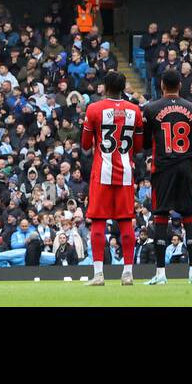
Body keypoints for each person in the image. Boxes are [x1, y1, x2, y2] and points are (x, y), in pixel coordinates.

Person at [81, 71, 144, 285]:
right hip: (126, 172)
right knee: (126, 221)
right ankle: (128, 273)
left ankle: (98, 274)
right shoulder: (134, 110)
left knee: (98, 221)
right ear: (124, 87)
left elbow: (85, 144)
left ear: (105, 87)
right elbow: (139, 146)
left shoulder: (94, 109)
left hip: (102, 172)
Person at [142, 68, 192, 285]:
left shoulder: (150, 109)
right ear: (180, 85)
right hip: (185, 166)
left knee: (160, 216)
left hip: (163, 168)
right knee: (189, 218)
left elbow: (147, 142)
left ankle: (160, 274)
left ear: (161, 85)